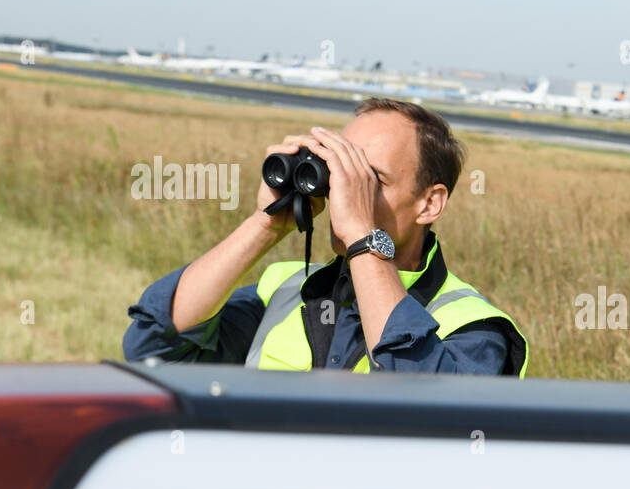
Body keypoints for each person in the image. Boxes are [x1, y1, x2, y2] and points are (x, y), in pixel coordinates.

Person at [123, 99, 527, 375]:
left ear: (429, 204)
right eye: (341, 172)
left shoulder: (474, 326)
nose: (345, 193)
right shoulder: (286, 289)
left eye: (371, 179)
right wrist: (266, 224)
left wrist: (362, 237)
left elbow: (435, 411)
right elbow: (155, 347)